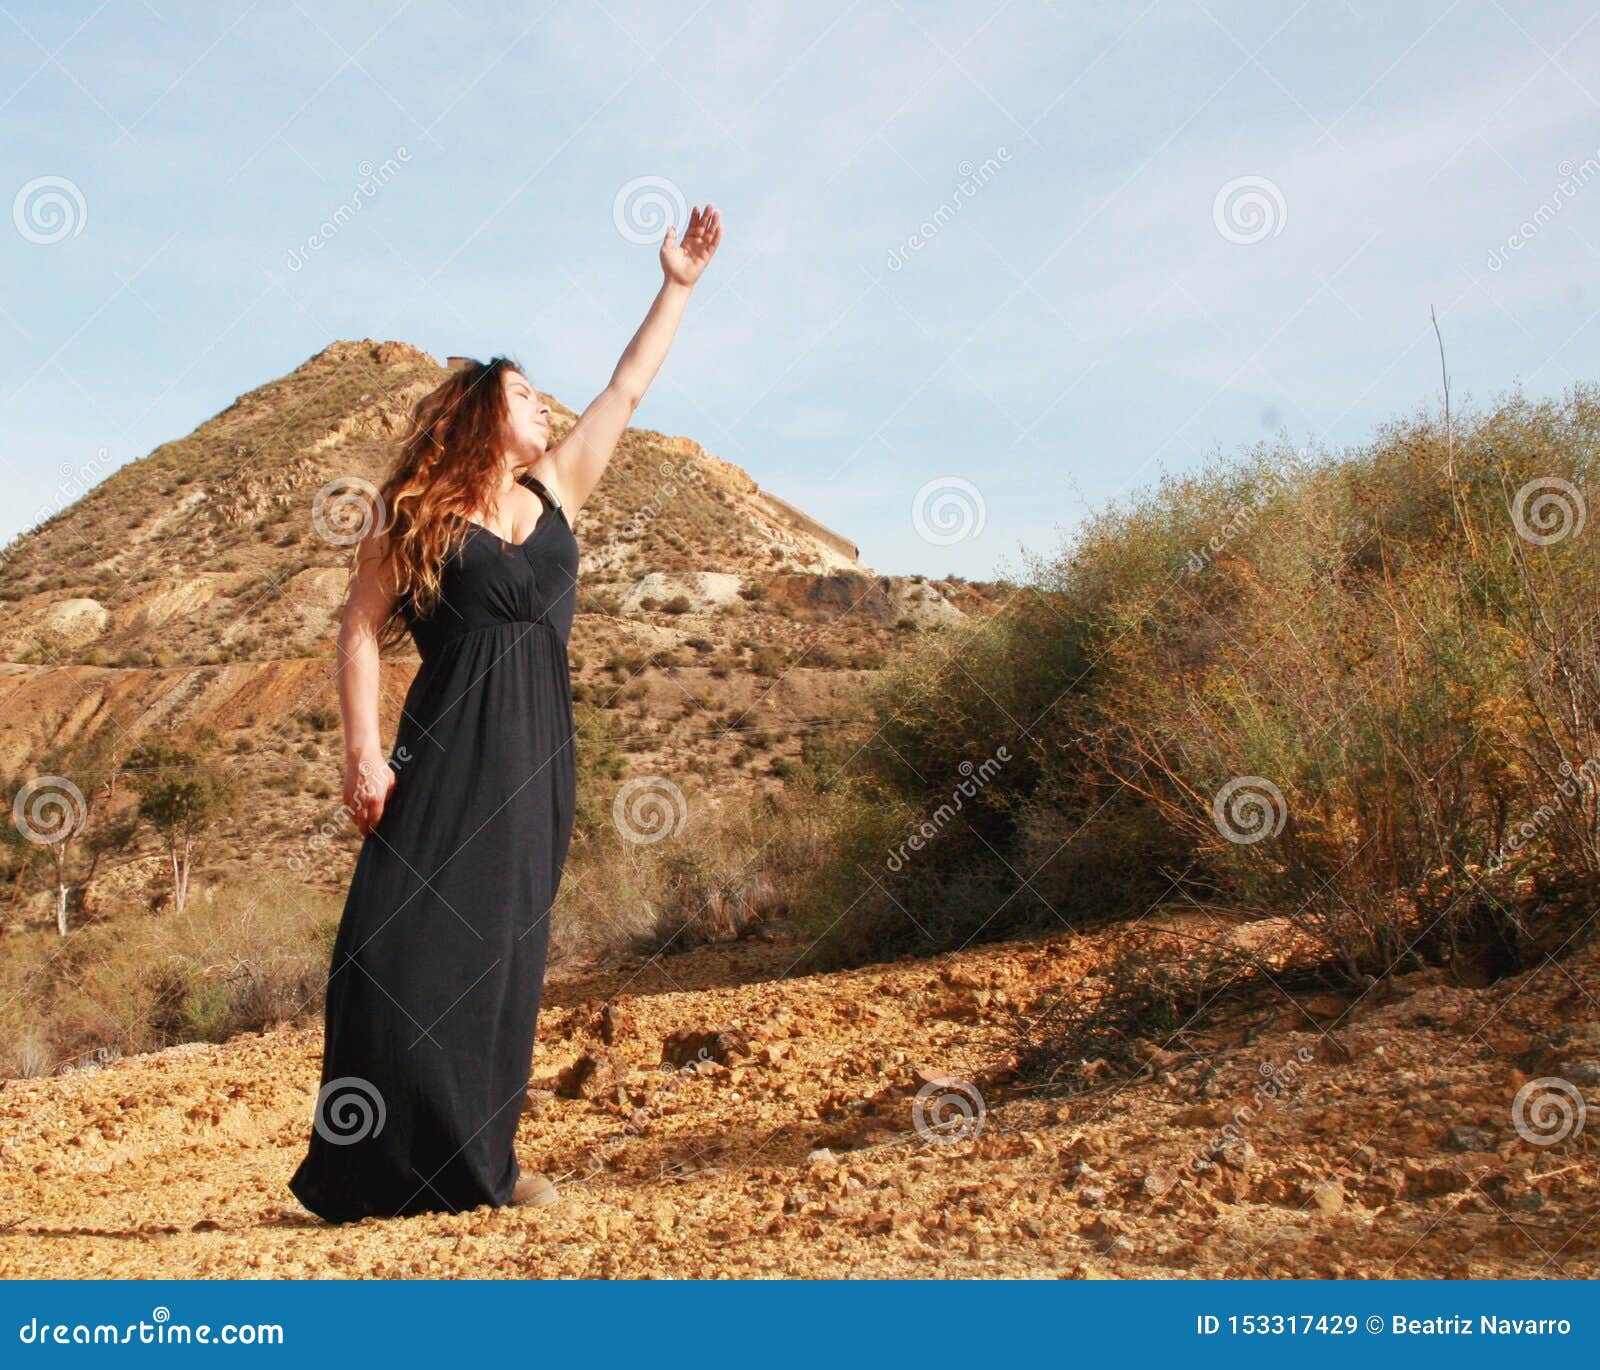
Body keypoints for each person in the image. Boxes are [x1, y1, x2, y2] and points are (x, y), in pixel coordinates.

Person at [287, 203, 722, 1222]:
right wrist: (363, 755)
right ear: (482, 411)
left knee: (501, 958)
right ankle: (366, 1163)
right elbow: (357, 628)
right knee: (382, 954)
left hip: (537, 758)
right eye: (524, 394)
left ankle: (483, 1160)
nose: (543, 407)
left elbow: (628, 384)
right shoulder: (416, 518)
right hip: (439, 752)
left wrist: (678, 286)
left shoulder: (559, 485)